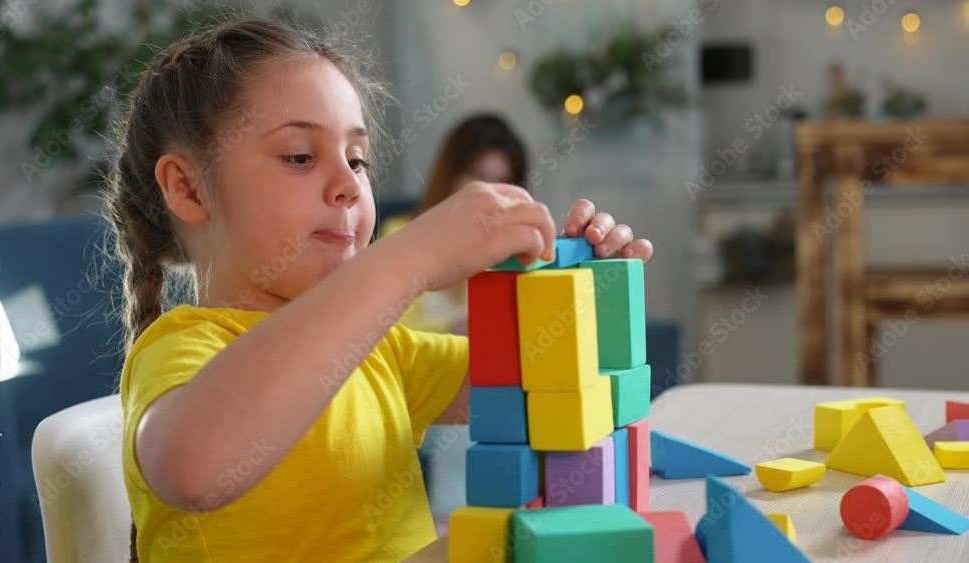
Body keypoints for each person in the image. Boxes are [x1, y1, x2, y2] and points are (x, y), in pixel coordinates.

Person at [107, 18, 654, 563]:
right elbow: (195, 466)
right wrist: (409, 259)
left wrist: (586, 294)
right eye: (299, 156)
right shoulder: (183, 347)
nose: (348, 183)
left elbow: (543, 382)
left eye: (358, 159)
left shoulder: (381, 351)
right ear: (188, 187)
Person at [381, 114, 529, 334]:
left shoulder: (513, 249)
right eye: (477, 176)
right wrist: (454, 329)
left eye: (501, 182)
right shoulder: (400, 233)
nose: (488, 192)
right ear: (450, 175)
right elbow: (383, 330)